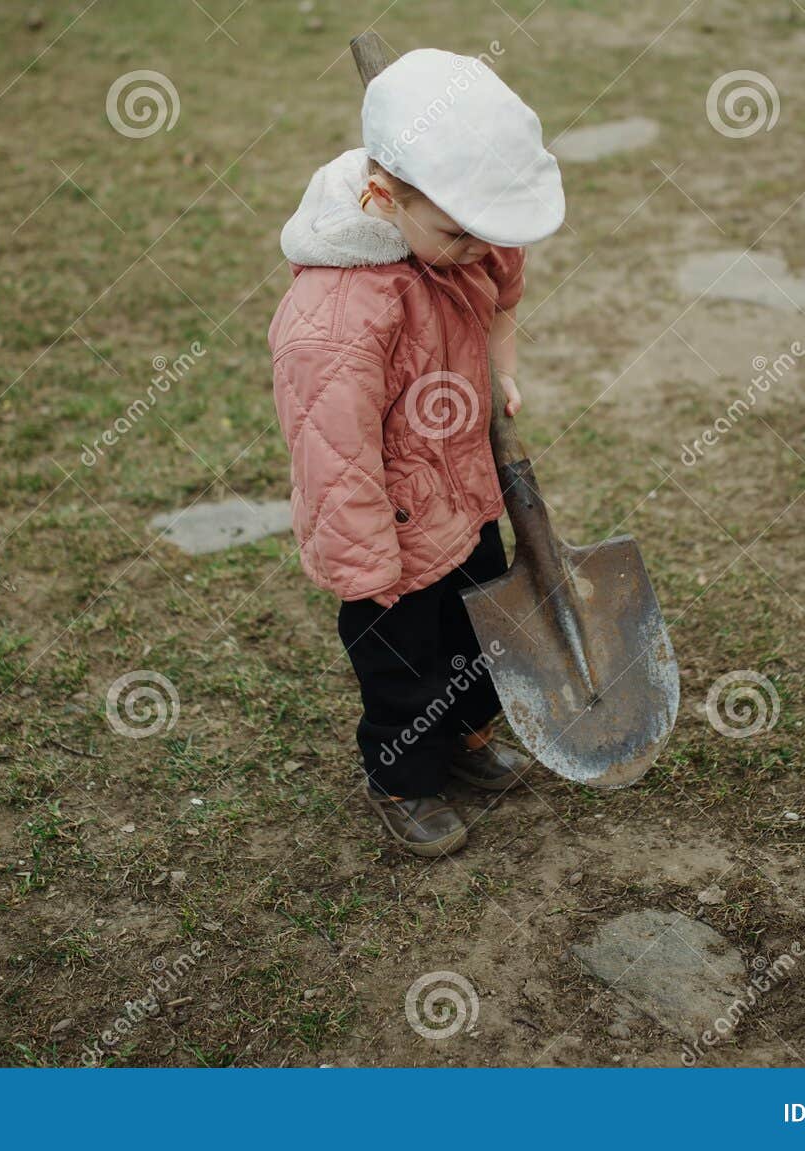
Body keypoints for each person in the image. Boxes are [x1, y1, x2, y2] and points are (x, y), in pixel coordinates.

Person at [267, 48, 567, 856]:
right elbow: (331, 457)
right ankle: (402, 778)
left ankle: (467, 740)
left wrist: (501, 371)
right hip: (386, 528)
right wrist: (368, 568)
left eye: (489, 231)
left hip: (465, 497)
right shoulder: (336, 315)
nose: (482, 248)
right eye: (458, 233)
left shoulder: (473, 233)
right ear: (380, 195)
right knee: (406, 667)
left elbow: (503, 302)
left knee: (478, 634)